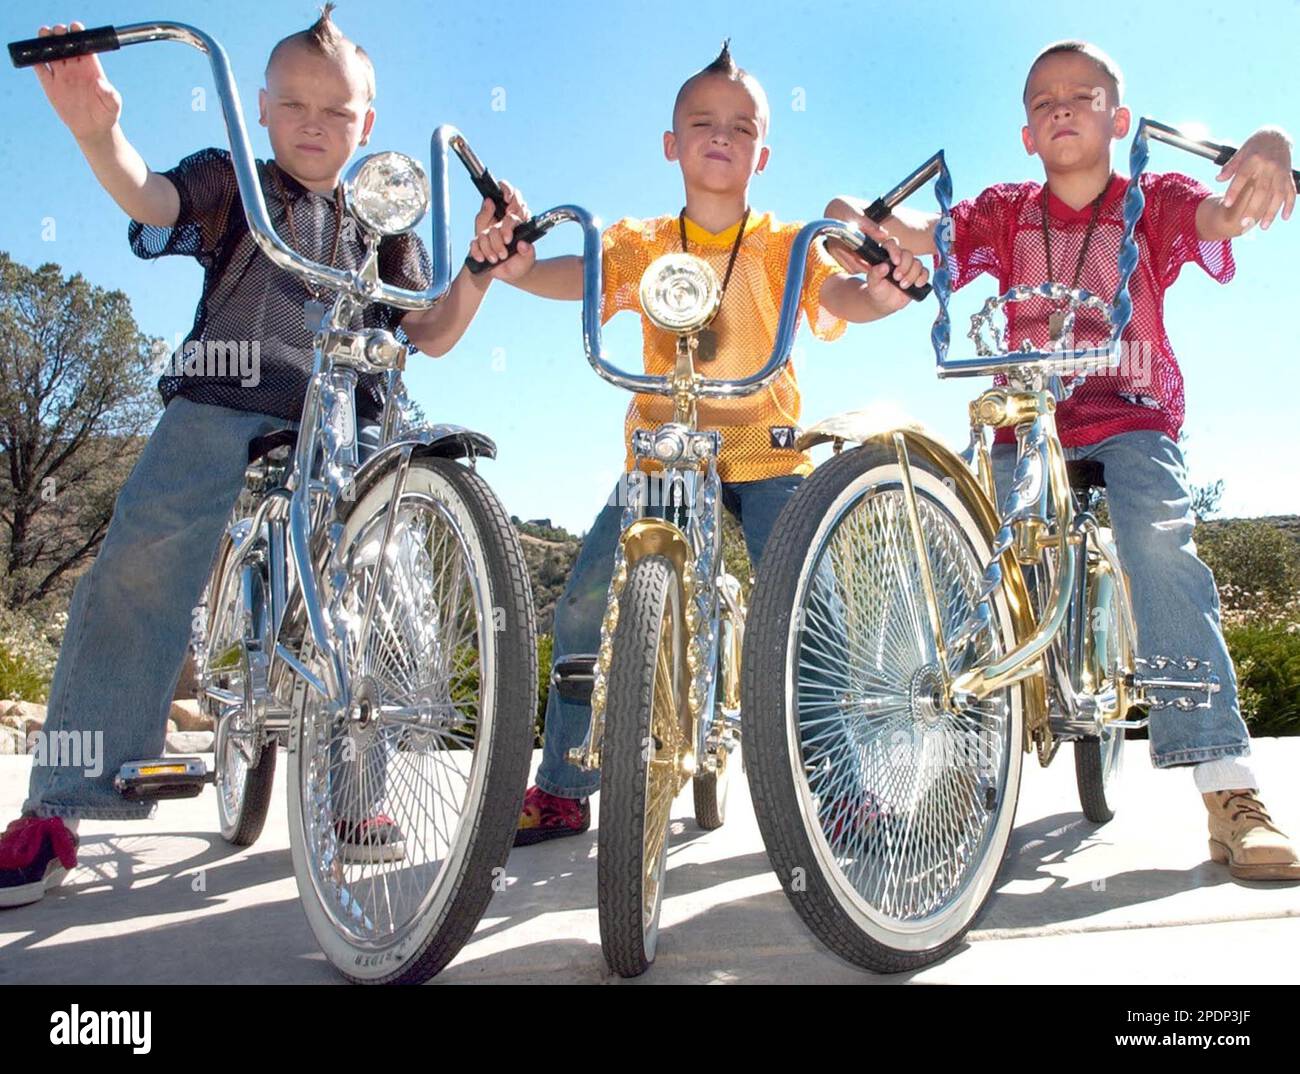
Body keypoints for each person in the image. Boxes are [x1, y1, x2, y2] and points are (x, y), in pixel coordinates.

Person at [0, 5, 530, 907]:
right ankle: (61, 803)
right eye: (293, 105)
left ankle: (357, 795)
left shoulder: (380, 219)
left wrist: (476, 271)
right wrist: (101, 133)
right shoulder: (235, 180)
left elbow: (431, 333)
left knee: (387, 574)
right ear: (260, 109)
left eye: (336, 111)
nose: (314, 125)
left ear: (367, 122)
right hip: (228, 390)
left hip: (348, 410)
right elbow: (151, 200)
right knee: (148, 550)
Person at [826, 39, 1299, 880]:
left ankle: (1228, 788)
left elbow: (1224, 215)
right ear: (1025, 134)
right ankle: (970, 770)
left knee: (1157, 539)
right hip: (1027, 419)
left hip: (1130, 413)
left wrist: (1269, 141)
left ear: (1119, 120)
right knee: (985, 569)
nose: (1062, 108)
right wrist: (860, 225)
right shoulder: (1004, 211)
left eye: (1082, 96)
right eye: (1044, 101)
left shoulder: (1152, 201)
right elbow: (920, 233)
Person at [487, 41, 930, 845]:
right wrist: (517, 272)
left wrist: (886, 295)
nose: (720, 136)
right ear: (671, 144)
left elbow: (842, 295)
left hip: (767, 451)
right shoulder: (643, 240)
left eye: (740, 126)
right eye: (701, 122)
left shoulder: (783, 242)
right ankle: (562, 783)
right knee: (589, 595)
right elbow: (579, 274)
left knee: (810, 607)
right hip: (665, 452)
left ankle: (842, 790)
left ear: (765, 150)